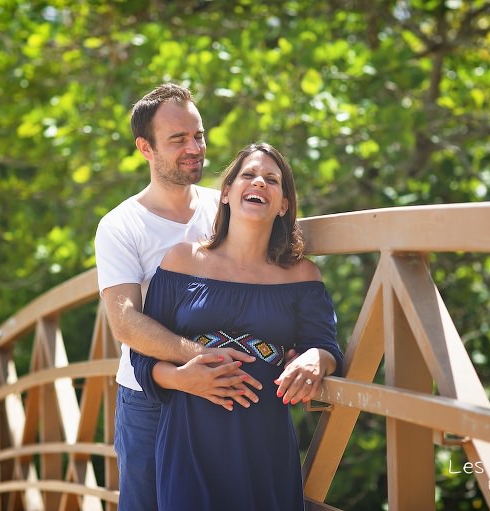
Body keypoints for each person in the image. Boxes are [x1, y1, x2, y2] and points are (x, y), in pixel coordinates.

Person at [132, 142, 345, 511]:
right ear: (226, 193)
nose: (259, 182)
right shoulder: (183, 261)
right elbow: (143, 356)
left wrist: (315, 358)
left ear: (283, 205)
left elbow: (325, 346)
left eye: (272, 180)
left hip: (264, 440)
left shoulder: (302, 275)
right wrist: (183, 378)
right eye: (248, 175)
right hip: (189, 436)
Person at [95, 83, 263, 511]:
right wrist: (198, 359)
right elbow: (125, 322)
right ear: (145, 148)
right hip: (153, 400)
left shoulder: (227, 207)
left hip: (230, 390)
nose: (195, 148)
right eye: (178, 140)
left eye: (198, 135)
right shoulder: (120, 226)